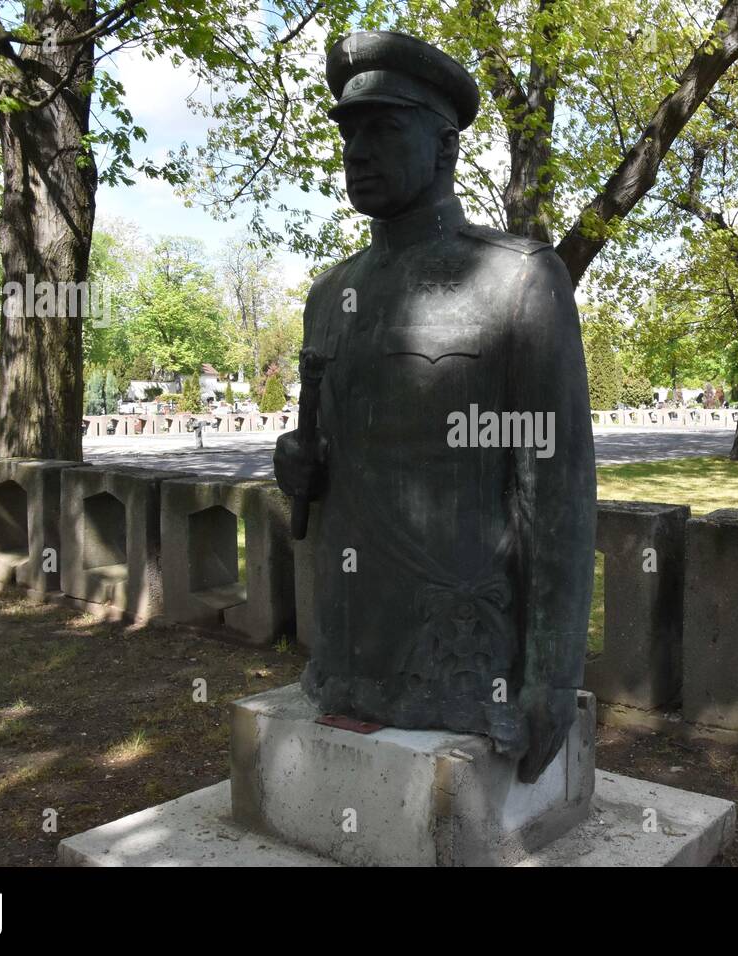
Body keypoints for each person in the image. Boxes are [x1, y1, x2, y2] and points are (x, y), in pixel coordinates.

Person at [273, 31, 595, 784]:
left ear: (447, 149)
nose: (357, 150)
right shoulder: (330, 293)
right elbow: (333, 455)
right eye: (349, 132)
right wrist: (300, 464)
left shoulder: (517, 280)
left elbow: (559, 491)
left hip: (461, 665)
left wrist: (550, 676)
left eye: (383, 129)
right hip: (347, 656)